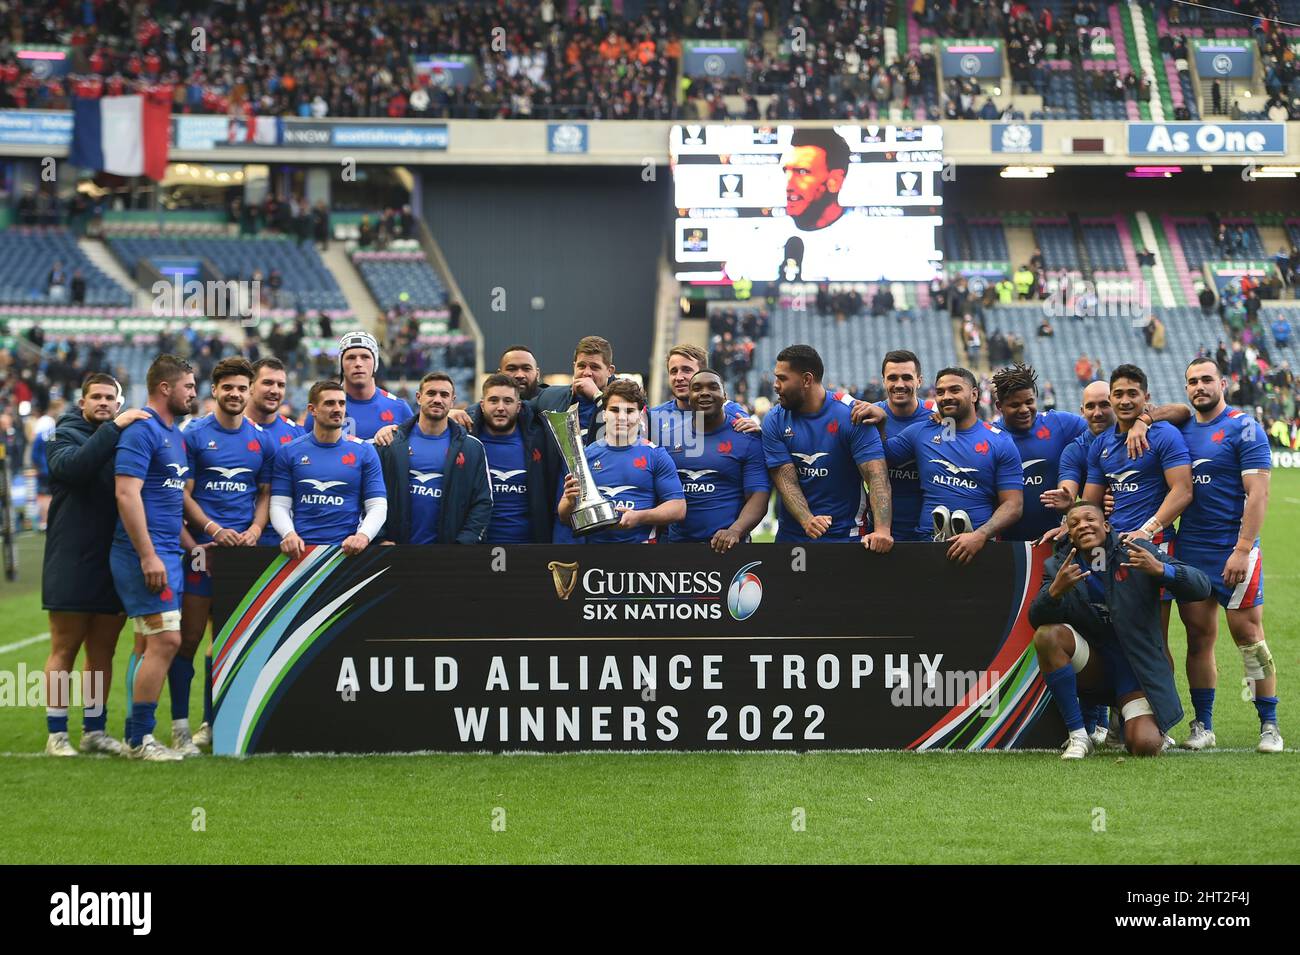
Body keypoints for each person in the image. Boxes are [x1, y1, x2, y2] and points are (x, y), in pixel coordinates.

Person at [1136, 359, 1281, 752]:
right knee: (1199, 639)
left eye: (1206, 380)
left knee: (1249, 639)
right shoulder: (1180, 427)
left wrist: (1241, 549)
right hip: (1190, 552)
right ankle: (1204, 725)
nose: (1199, 387)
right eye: (1192, 382)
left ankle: (1269, 724)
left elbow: (1259, 494)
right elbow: (1167, 415)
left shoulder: (1243, 427)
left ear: (1223, 383)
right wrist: (1143, 419)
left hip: (1235, 551)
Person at [1029, 501, 1211, 759]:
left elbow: (1201, 586)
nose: (1083, 525)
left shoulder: (1136, 551)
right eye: (1075, 523)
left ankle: (1123, 716)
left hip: (1135, 669)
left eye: (1090, 519)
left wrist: (1161, 570)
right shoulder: (1058, 565)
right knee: (1048, 635)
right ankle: (1079, 736)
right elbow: (1036, 618)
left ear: (1106, 525)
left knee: (1145, 746)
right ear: (1069, 534)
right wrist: (1053, 593)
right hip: (1093, 666)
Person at [41, 374, 149, 757]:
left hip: (114, 557)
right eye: (97, 397)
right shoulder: (61, 432)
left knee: (103, 650)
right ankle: (56, 733)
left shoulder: (128, 438)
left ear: (119, 402)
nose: (104, 403)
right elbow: (73, 468)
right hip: (70, 556)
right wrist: (116, 428)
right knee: (64, 647)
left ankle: (94, 729)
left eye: (111, 398)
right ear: (82, 401)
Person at [176, 358, 275, 755]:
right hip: (202, 552)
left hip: (242, 557)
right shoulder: (194, 434)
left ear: (249, 391)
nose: (235, 394)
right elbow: (182, 493)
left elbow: (265, 494)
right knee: (189, 638)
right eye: (227, 387)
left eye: (241, 388)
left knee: (229, 643)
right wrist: (211, 531)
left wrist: (254, 530)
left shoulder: (261, 439)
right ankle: (180, 727)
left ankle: (213, 723)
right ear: (214, 390)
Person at [110, 355, 199, 761]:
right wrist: (148, 555)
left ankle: (136, 736)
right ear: (166, 388)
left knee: (151, 643)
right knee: (167, 640)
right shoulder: (141, 431)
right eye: (189, 386)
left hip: (169, 552)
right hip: (143, 554)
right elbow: (126, 494)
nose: (194, 393)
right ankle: (141, 739)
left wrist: (190, 545)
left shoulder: (175, 434)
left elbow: (168, 502)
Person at [877, 367, 1023, 561]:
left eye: (955, 390)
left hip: (980, 549)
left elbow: (1013, 504)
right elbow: (878, 457)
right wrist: (879, 421)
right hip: (926, 545)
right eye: (940, 392)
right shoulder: (922, 432)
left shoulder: (999, 441)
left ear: (973, 395)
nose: (946, 396)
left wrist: (980, 535)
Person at [761, 344, 892, 548]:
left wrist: (883, 530)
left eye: (782, 378)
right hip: (793, 537)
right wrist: (807, 520)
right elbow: (786, 482)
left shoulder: (853, 416)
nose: (776, 385)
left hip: (848, 535)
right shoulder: (774, 420)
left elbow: (876, 477)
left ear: (807, 379)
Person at [558, 379, 684, 543]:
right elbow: (565, 518)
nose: (622, 417)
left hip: (641, 555)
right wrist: (569, 501)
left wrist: (639, 517)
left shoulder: (656, 455)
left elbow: (678, 508)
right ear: (604, 414)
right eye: (615, 410)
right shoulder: (585, 456)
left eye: (629, 411)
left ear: (640, 416)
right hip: (595, 555)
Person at [271, 381, 386, 556]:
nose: (337, 409)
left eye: (341, 403)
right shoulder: (289, 451)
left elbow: (377, 505)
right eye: (329, 403)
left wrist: (363, 536)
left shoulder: (364, 451)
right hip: (301, 552)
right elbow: (279, 504)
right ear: (312, 409)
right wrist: (288, 534)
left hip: (347, 552)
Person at [377, 373, 492, 545]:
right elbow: (372, 495)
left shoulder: (471, 448)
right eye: (431, 393)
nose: (437, 399)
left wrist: (464, 543)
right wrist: (380, 537)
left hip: (450, 556)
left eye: (444, 395)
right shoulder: (390, 443)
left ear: (452, 401)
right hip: (396, 553)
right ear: (418, 397)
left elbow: (483, 502)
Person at [665, 369, 770, 551]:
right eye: (697, 388)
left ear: (724, 396)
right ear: (689, 397)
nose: (704, 392)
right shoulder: (669, 439)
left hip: (730, 548)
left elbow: (758, 496)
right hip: (678, 548)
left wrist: (735, 531)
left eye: (713, 387)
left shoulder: (747, 438)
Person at [990, 363, 1087, 542]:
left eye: (1029, 402)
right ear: (999, 406)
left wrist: (1141, 420)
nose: (1025, 409)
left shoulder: (1060, 423)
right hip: (1006, 544)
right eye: (1015, 405)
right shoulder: (989, 437)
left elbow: (1105, 434)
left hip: (1056, 538)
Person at [854, 350, 934, 542]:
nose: (899, 384)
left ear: (919, 381)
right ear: (883, 381)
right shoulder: (868, 417)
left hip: (928, 530)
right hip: (881, 530)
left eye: (907, 377)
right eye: (892, 378)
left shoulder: (938, 418)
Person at [468, 374, 558, 544]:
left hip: (530, 548)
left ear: (518, 406)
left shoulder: (541, 442)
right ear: (482, 405)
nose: (501, 407)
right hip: (476, 549)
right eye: (493, 400)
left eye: (508, 401)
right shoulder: (466, 442)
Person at [304, 331, 412, 440]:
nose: (358, 364)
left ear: (375, 363)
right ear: (341, 364)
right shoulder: (321, 409)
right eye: (351, 358)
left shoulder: (399, 408)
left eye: (365, 357)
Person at [647, 343, 755, 449]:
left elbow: (750, 446)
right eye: (674, 371)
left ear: (702, 374)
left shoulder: (733, 412)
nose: (679, 377)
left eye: (687, 370)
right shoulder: (653, 417)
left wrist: (759, 433)